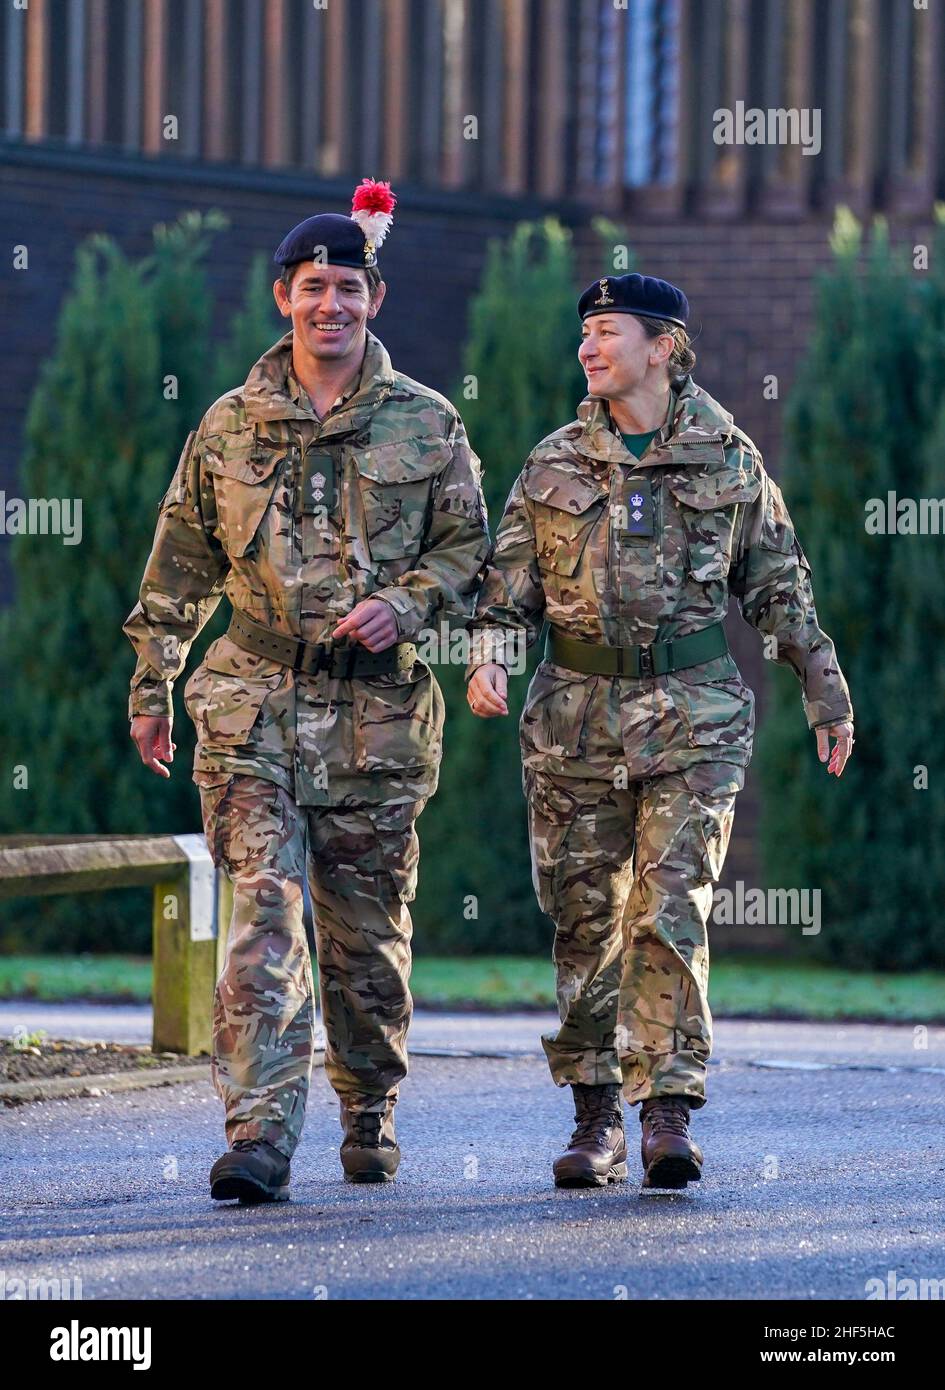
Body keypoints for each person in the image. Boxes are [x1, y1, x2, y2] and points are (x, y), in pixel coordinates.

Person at [124, 180, 489, 1203]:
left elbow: (472, 549)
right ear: (284, 295)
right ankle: (259, 1132)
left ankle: (368, 1105)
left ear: (374, 297)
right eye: (313, 288)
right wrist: (153, 683)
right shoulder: (230, 426)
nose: (332, 305)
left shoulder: (427, 423)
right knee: (266, 910)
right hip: (251, 707)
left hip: (376, 721)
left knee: (366, 939)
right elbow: (178, 565)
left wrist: (411, 604)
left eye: (350, 288)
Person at [466, 272, 853, 1190]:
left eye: (606, 332)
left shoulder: (727, 458)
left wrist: (824, 690)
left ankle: (667, 1109)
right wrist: (487, 654)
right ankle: (593, 1115)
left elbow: (777, 586)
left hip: (693, 712)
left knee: (669, 910)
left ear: (664, 347)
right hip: (572, 718)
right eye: (585, 334)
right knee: (583, 918)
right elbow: (504, 589)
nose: (587, 348)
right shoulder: (553, 461)